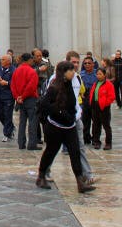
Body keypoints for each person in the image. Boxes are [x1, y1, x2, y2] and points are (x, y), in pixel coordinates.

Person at [35, 61, 95, 193]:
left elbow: (72, 103)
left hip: (70, 126)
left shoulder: (69, 85)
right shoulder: (54, 87)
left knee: (75, 152)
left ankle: (80, 181)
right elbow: (44, 105)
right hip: (55, 127)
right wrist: (60, 112)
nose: (73, 72)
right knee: (50, 152)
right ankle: (41, 176)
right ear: (64, 72)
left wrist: (73, 115)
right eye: (71, 70)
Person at [11, 52, 40, 150]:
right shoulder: (32, 72)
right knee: (32, 121)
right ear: (29, 60)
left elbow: (13, 85)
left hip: (20, 100)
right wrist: (23, 96)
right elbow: (31, 87)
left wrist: (17, 97)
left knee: (22, 121)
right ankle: (32, 144)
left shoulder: (16, 71)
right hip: (30, 99)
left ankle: (21, 143)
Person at [89, 67, 115, 150]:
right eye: (97, 74)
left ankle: (108, 143)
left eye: (100, 74)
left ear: (104, 75)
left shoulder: (109, 84)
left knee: (106, 126)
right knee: (96, 125)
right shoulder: (95, 84)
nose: (98, 76)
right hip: (95, 106)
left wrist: (105, 103)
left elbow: (112, 97)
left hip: (104, 108)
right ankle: (96, 141)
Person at [0, 54, 15, 142]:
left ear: (8, 61)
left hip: (8, 96)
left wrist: (7, 83)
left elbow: (15, 83)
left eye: (3, 59)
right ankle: (10, 127)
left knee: (7, 114)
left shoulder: (13, 70)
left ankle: (6, 133)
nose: (1, 61)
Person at [79, 56, 98, 144]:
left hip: (95, 98)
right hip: (85, 98)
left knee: (96, 120)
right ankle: (86, 137)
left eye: (89, 63)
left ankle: (95, 138)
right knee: (85, 120)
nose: (87, 65)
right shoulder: (81, 75)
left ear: (93, 64)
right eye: (85, 63)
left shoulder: (97, 74)